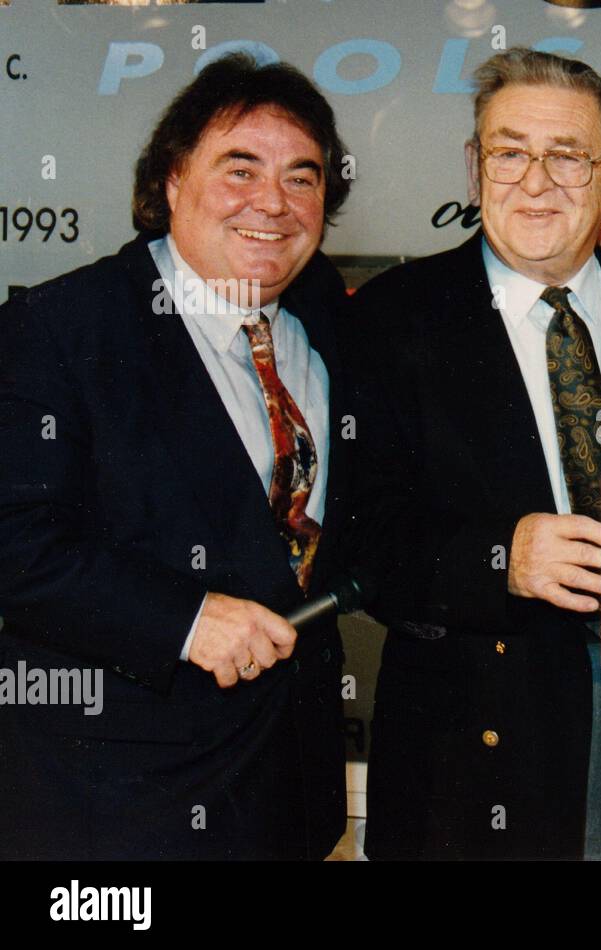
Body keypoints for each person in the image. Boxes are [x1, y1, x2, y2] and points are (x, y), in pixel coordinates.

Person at [347, 48, 601, 860]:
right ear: (473, 164)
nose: (535, 181)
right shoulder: (389, 319)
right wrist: (501, 560)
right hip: (474, 757)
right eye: (509, 152)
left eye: (567, 156)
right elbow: (359, 542)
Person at [0, 54, 354, 859]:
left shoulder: (324, 310)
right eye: (240, 169)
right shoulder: (59, 329)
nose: (273, 203)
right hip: (118, 814)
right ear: (169, 179)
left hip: (291, 803)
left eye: (303, 178)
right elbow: (13, 540)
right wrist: (185, 620)